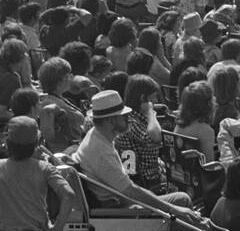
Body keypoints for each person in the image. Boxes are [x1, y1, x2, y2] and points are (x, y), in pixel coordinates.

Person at [71, 90, 199, 220]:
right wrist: (173, 209)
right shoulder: (99, 150)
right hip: (119, 213)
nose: (129, 118)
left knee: (181, 199)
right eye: (123, 116)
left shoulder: (97, 135)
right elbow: (130, 191)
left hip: (121, 201)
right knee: (183, 201)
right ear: (110, 121)